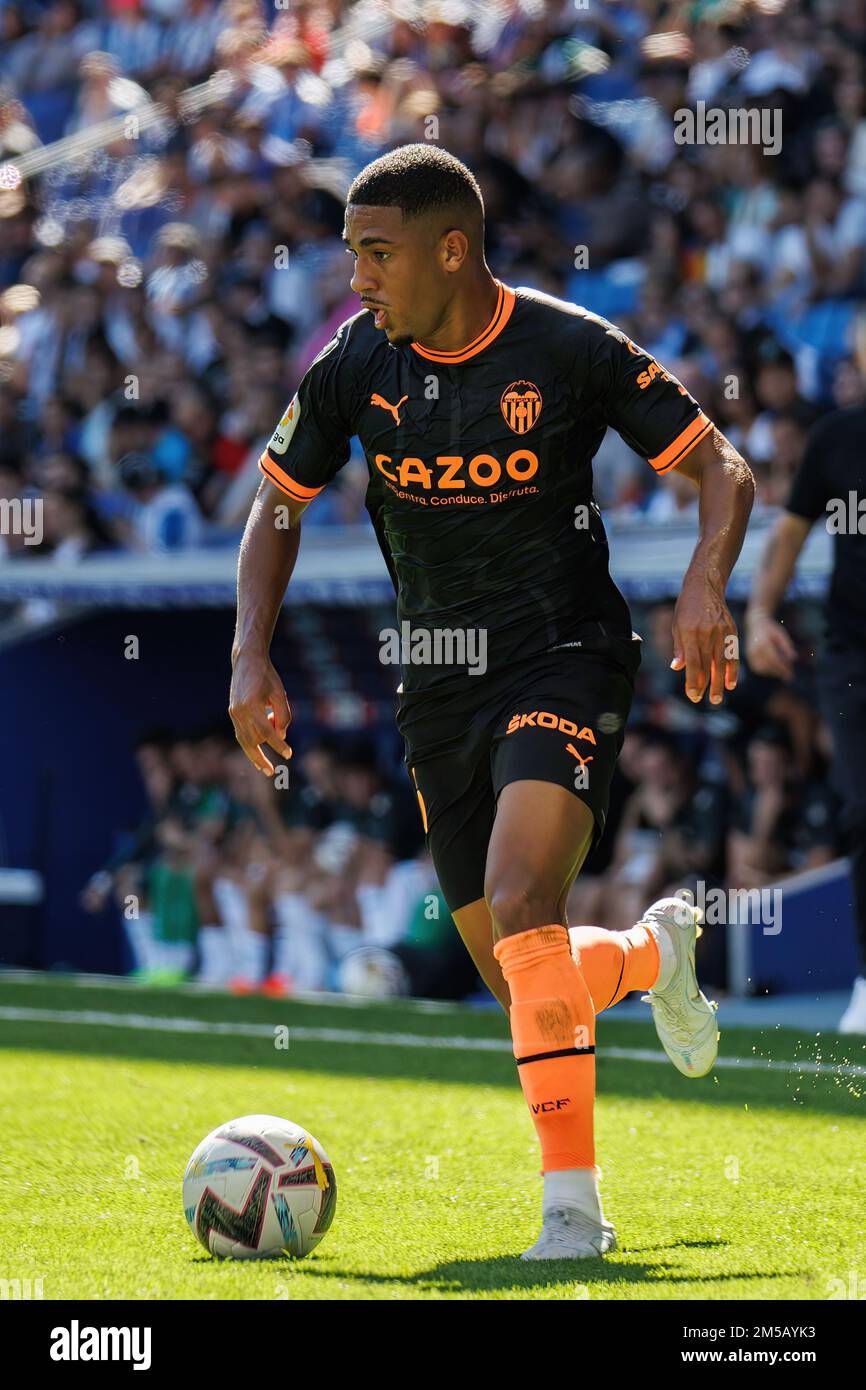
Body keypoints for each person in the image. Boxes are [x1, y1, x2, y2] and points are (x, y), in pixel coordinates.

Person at [229, 144, 755, 1260]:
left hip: (563, 655)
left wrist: (704, 579)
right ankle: (652, 957)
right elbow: (276, 506)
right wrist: (247, 655)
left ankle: (573, 1214)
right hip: (435, 684)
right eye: (348, 255)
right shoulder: (350, 366)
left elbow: (721, 466)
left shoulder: (566, 347)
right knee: (526, 972)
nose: (358, 280)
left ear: (451, 248)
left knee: (522, 903)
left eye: (377, 254)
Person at [746, 401, 866, 1034]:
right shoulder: (839, 435)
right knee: (863, 808)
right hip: (855, 653)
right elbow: (791, 529)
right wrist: (761, 614)